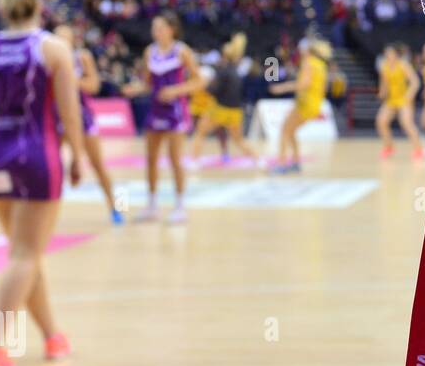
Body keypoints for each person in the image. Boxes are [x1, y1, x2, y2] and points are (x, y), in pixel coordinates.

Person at [0, 0, 85, 366]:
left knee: (25, 254)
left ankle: (52, 336)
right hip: (35, 157)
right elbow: (70, 113)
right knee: (25, 255)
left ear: (1, 8)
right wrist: (78, 156)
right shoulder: (55, 50)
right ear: (40, 4)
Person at [122, 12, 204, 223]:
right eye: (154, 28)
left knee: (175, 159)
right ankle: (152, 205)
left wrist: (176, 90)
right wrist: (135, 89)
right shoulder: (149, 52)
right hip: (155, 109)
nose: (155, 31)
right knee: (151, 159)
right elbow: (148, 83)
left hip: (176, 110)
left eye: (159, 27)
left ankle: (180, 206)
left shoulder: (182, 51)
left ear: (171, 29)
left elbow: (199, 81)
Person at [52, 24, 122, 223]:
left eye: (65, 38)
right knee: (51, 164)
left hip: (82, 117)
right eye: (57, 38)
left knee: (98, 165)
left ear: (72, 41)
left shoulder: (82, 57)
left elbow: (94, 86)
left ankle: (117, 208)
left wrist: (72, 81)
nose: (61, 42)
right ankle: (47, 211)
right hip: (56, 118)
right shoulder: (49, 59)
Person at [190, 32, 258, 165]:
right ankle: (257, 159)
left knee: (200, 133)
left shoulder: (223, 72)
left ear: (224, 56)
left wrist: (205, 86)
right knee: (239, 140)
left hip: (219, 110)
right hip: (235, 111)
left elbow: (214, 90)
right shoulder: (237, 72)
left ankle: (194, 160)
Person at [268, 38, 332, 172]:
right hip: (315, 104)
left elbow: (303, 84)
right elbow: (324, 87)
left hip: (305, 104)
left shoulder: (308, 62)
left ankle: (281, 164)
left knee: (285, 130)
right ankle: (296, 162)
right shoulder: (320, 64)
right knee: (290, 131)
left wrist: (281, 88)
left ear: (306, 50)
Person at [375, 43, 423, 160]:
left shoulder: (403, 65)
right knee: (381, 122)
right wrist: (381, 93)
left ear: (396, 54)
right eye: (386, 53)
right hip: (391, 100)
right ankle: (389, 147)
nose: (388, 55)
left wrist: (409, 96)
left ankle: (418, 149)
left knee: (406, 123)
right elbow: (384, 84)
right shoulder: (384, 67)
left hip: (403, 99)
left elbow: (415, 82)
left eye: (390, 53)